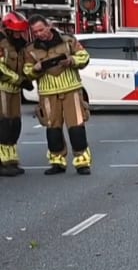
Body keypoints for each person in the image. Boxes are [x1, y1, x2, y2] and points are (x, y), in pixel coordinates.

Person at [22, 15, 92, 175]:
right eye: (35, 31)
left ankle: (82, 162)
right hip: (47, 93)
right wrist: (35, 69)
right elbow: (26, 71)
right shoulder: (30, 49)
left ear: (49, 26)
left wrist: (71, 61)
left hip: (71, 90)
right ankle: (57, 162)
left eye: (41, 29)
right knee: (52, 129)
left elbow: (85, 57)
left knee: (76, 127)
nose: (39, 34)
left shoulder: (68, 40)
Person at [0, 11, 31, 176]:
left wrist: (28, 76)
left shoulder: (20, 45)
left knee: (14, 126)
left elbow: (25, 64)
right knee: (3, 126)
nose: (20, 34)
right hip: (2, 90)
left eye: (21, 31)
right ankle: (3, 163)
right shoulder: (1, 44)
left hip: (15, 91)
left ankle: (11, 161)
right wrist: (18, 79)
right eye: (17, 31)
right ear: (9, 29)